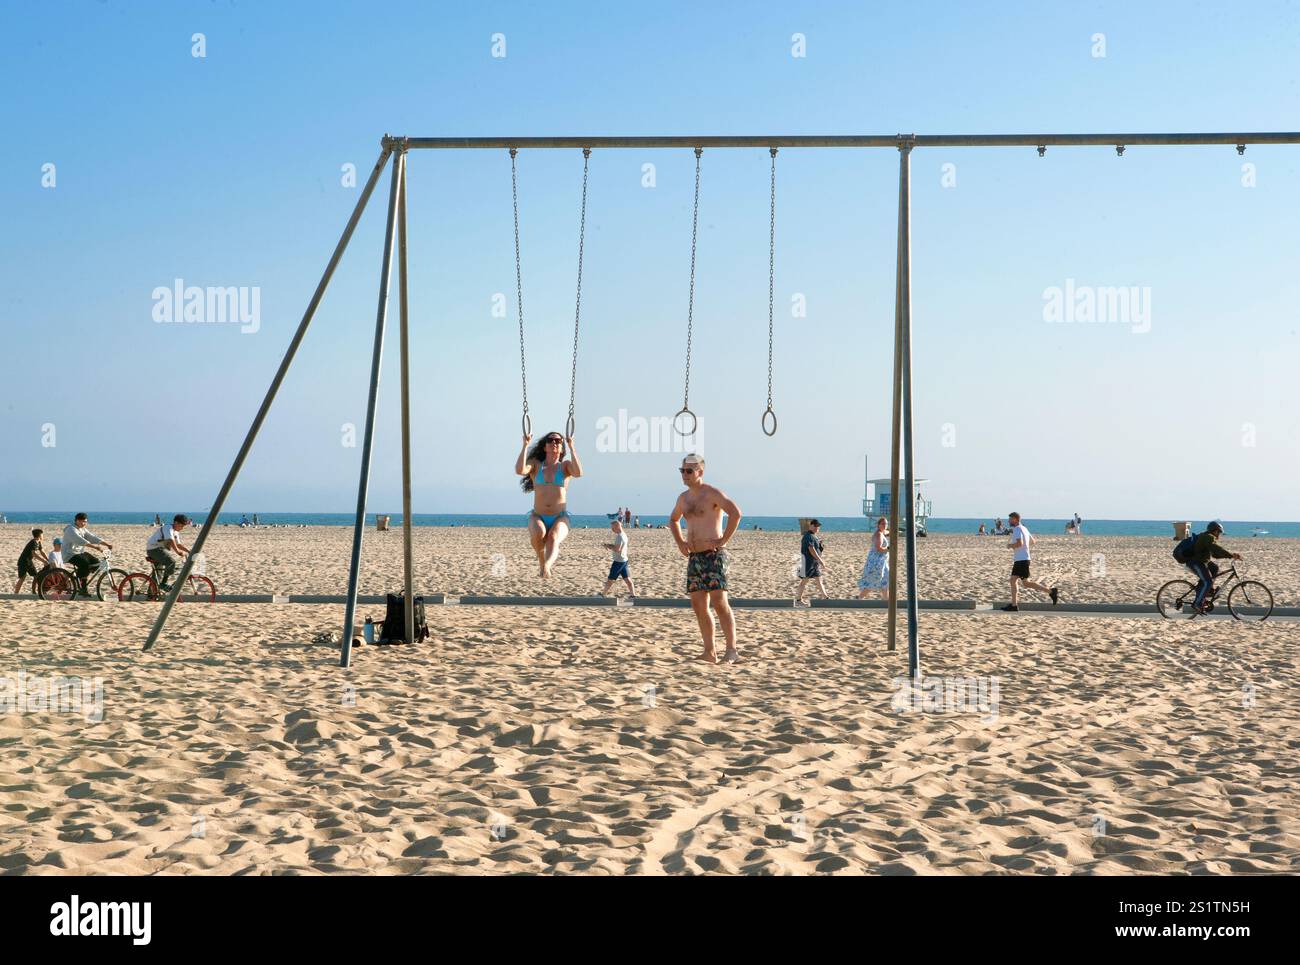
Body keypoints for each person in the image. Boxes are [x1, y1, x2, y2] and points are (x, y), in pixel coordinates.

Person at [669, 453, 742, 664]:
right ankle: (710, 651)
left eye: (689, 471)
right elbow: (673, 520)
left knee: (720, 602)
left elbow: (736, 513)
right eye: (682, 470)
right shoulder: (683, 498)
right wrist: (681, 542)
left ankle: (731, 650)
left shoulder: (712, 494)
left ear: (700, 472)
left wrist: (723, 539)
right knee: (699, 604)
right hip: (694, 557)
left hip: (714, 555)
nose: (685, 474)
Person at [516, 431, 583, 578]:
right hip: (538, 515)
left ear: (561, 448)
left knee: (553, 537)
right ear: (545, 447)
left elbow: (578, 473)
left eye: (558, 441)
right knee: (538, 534)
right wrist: (525, 445)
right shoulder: (535, 465)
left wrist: (572, 447)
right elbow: (520, 470)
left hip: (560, 516)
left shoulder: (565, 466)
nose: (554, 443)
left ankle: (546, 566)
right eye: (551, 440)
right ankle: (542, 563)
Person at [1001, 512, 1059, 611]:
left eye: (1010, 519)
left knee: (1020, 582)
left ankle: (1050, 592)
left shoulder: (1017, 529)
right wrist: (1024, 548)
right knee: (1019, 582)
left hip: (1021, 560)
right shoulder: (1024, 528)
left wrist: (1010, 546)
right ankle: (1014, 605)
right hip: (1023, 559)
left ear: (1015, 519)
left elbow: (1020, 543)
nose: (1009, 521)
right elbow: (1033, 541)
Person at [1187, 521, 1240, 613]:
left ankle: (1208, 590)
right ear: (1214, 531)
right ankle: (1197, 604)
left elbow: (1215, 554)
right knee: (1208, 581)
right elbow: (1216, 548)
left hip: (1202, 561)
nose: (1219, 534)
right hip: (1196, 562)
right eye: (1219, 532)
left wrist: (1228, 556)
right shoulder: (1208, 537)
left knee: (1214, 568)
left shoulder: (1207, 537)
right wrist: (1231, 555)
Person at [62, 513, 112, 588]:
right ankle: (81, 585)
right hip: (69, 554)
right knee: (85, 564)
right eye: (81, 521)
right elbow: (80, 541)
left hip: (80, 552)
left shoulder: (82, 529)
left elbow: (92, 537)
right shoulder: (71, 529)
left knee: (96, 562)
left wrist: (107, 544)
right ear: (76, 521)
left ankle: (79, 576)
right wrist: (95, 547)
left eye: (85, 521)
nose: (83, 523)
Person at [146, 514, 192, 590]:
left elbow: (179, 544)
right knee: (171, 562)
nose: (182, 528)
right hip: (154, 549)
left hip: (159, 549)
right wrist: (178, 552)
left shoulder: (176, 532)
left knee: (158, 574)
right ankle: (164, 583)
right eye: (181, 526)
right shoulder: (168, 528)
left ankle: (151, 595)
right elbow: (171, 540)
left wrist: (189, 551)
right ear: (176, 523)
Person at [795, 519, 829, 605]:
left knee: (818, 580)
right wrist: (820, 560)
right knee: (804, 581)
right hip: (808, 563)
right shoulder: (808, 536)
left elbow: (816, 550)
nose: (817, 528)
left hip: (814, 563)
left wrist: (821, 547)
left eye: (818, 527)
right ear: (811, 526)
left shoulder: (814, 536)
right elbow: (811, 549)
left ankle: (825, 597)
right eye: (815, 526)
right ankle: (798, 600)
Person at [600, 518, 636, 597]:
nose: (612, 530)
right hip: (624, 560)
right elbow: (618, 547)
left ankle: (603, 594)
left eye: (613, 528)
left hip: (618, 562)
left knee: (611, 580)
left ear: (617, 527)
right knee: (627, 579)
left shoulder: (620, 537)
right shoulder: (623, 534)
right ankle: (633, 595)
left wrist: (608, 546)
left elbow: (617, 549)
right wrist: (609, 545)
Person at [857, 516, 890, 598]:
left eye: (886, 524)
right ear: (878, 525)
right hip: (877, 562)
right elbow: (879, 548)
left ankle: (886, 600)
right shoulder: (879, 534)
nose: (885, 525)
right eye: (883, 524)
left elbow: (887, 532)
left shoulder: (882, 532)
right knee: (873, 582)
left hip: (882, 562)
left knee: (884, 581)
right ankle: (859, 598)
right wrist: (889, 549)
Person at [14, 528, 47, 593]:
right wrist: (44, 561)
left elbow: (42, 552)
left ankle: (35, 592)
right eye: (42, 535)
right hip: (24, 561)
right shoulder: (33, 542)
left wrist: (47, 559)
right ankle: (16, 593)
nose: (43, 536)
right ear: (39, 535)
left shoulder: (38, 542)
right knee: (23, 577)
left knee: (35, 576)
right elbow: (34, 554)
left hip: (28, 561)